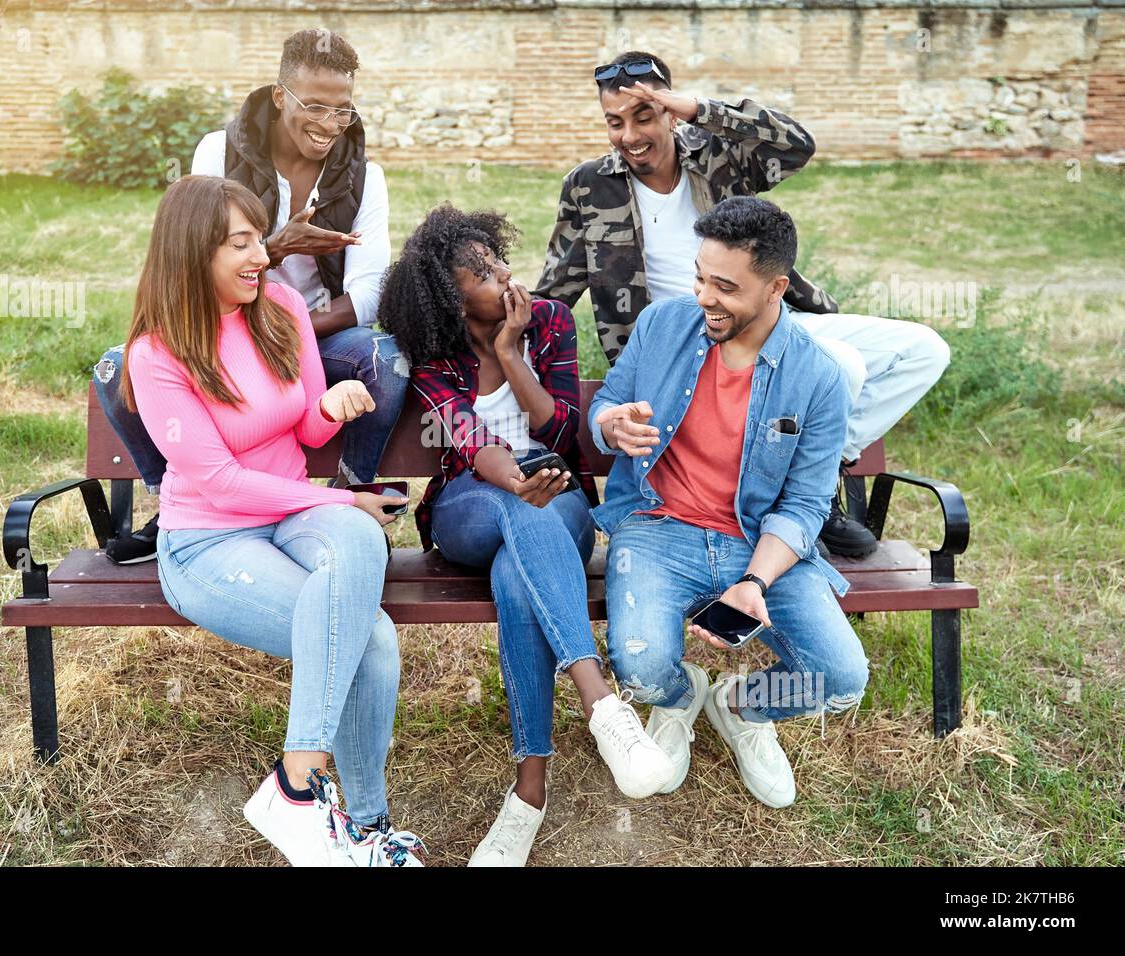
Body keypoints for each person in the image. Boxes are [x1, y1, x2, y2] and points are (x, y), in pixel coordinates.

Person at [536, 51, 951, 558]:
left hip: (767, 319)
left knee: (923, 349)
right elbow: (556, 286)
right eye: (614, 122)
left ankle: (816, 471)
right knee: (840, 365)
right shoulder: (588, 186)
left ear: (670, 111)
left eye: (644, 115)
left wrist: (701, 110)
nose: (629, 135)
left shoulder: (716, 154)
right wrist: (493, 331)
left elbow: (798, 146)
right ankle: (812, 497)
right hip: (675, 350)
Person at [122, 174, 424, 866]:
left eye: (260, 236)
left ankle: (306, 797)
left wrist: (334, 406)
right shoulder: (156, 352)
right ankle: (358, 825)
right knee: (369, 635)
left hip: (287, 515)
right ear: (191, 253)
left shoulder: (282, 305)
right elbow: (220, 483)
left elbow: (309, 434)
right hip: (208, 541)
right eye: (240, 242)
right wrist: (342, 498)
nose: (262, 253)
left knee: (356, 536)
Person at [379, 205, 674, 867]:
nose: (503, 276)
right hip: (469, 508)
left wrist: (512, 354)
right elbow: (469, 439)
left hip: (557, 501)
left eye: (497, 260)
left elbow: (564, 433)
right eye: (480, 273)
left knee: (521, 569)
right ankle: (602, 705)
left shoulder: (546, 322)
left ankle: (528, 793)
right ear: (450, 300)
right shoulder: (433, 349)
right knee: (522, 512)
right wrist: (514, 484)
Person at [590, 196, 870, 809]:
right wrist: (611, 424)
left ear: (776, 287)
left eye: (724, 286)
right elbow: (606, 399)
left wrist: (754, 582)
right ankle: (678, 696)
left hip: (760, 542)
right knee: (639, 669)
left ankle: (740, 707)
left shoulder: (817, 377)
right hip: (656, 526)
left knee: (843, 680)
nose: (704, 297)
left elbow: (804, 503)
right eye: (699, 276)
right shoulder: (662, 326)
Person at [94, 29, 408, 563]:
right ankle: (170, 497)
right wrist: (276, 249)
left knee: (386, 359)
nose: (329, 124)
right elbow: (196, 257)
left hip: (311, 331)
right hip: (213, 327)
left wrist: (286, 331)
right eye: (315, 106)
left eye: (343, 111)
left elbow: (370, 291)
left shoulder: (364, 177)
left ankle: (348, 493)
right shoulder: (219, 151)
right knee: (115, 367)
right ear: (280, 94)